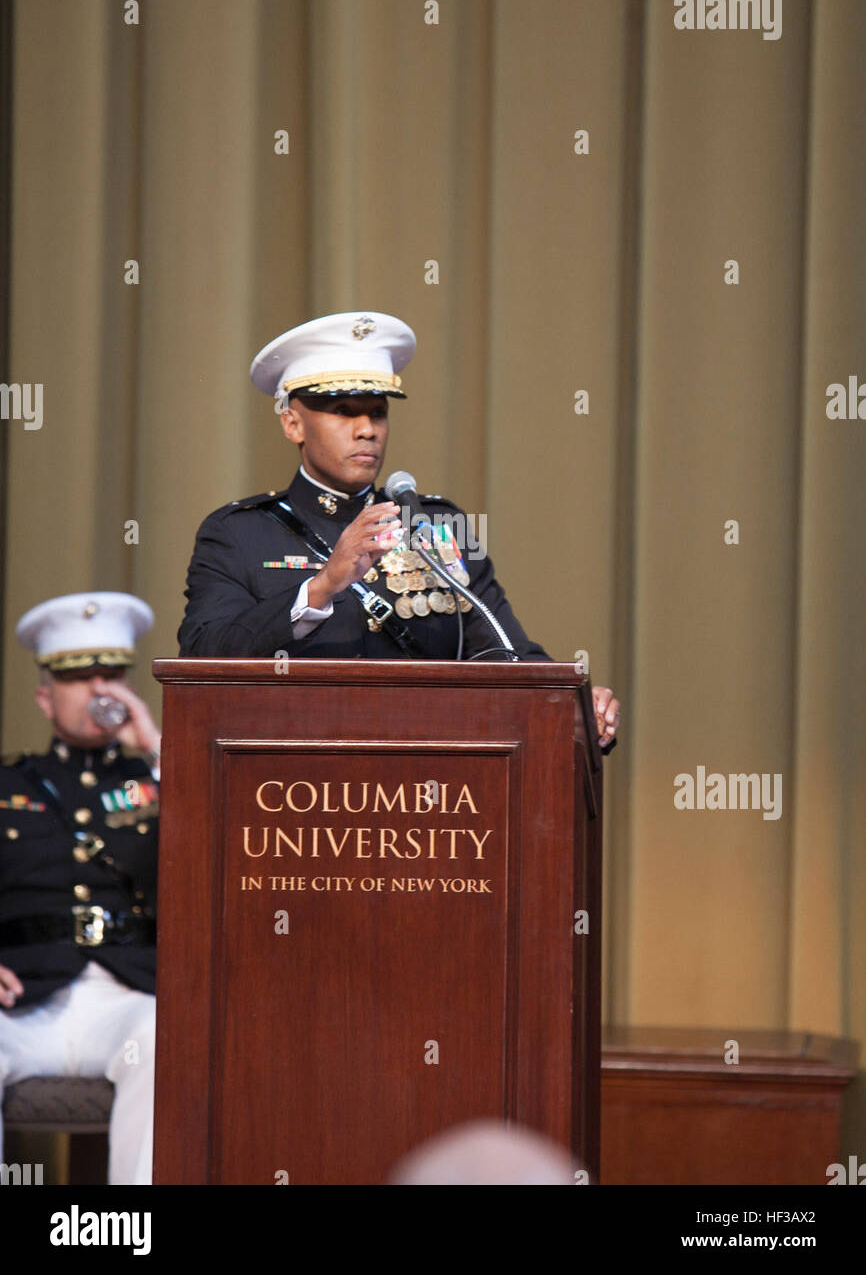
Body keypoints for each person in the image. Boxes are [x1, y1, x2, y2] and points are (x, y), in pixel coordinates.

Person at [178, 311, 620, 747]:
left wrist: (569, 706)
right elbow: (202, 657)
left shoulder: (435, 523)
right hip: (292, 784)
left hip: (429, 784)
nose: (367, 430)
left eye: (377, 412)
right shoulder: (238, 532)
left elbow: (499, 647)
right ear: (293, 423)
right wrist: (321, 587)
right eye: (343, 411)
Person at [0, 592, 160, 1185]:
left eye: (111, 674)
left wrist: (159, 747)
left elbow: (227, 843)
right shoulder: (9, 782)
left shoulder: (163, 779)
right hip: (25, 1002)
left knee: (167, 1043)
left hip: (126, 996)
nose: (100, 689)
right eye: (79, 676)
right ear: (46, 695)